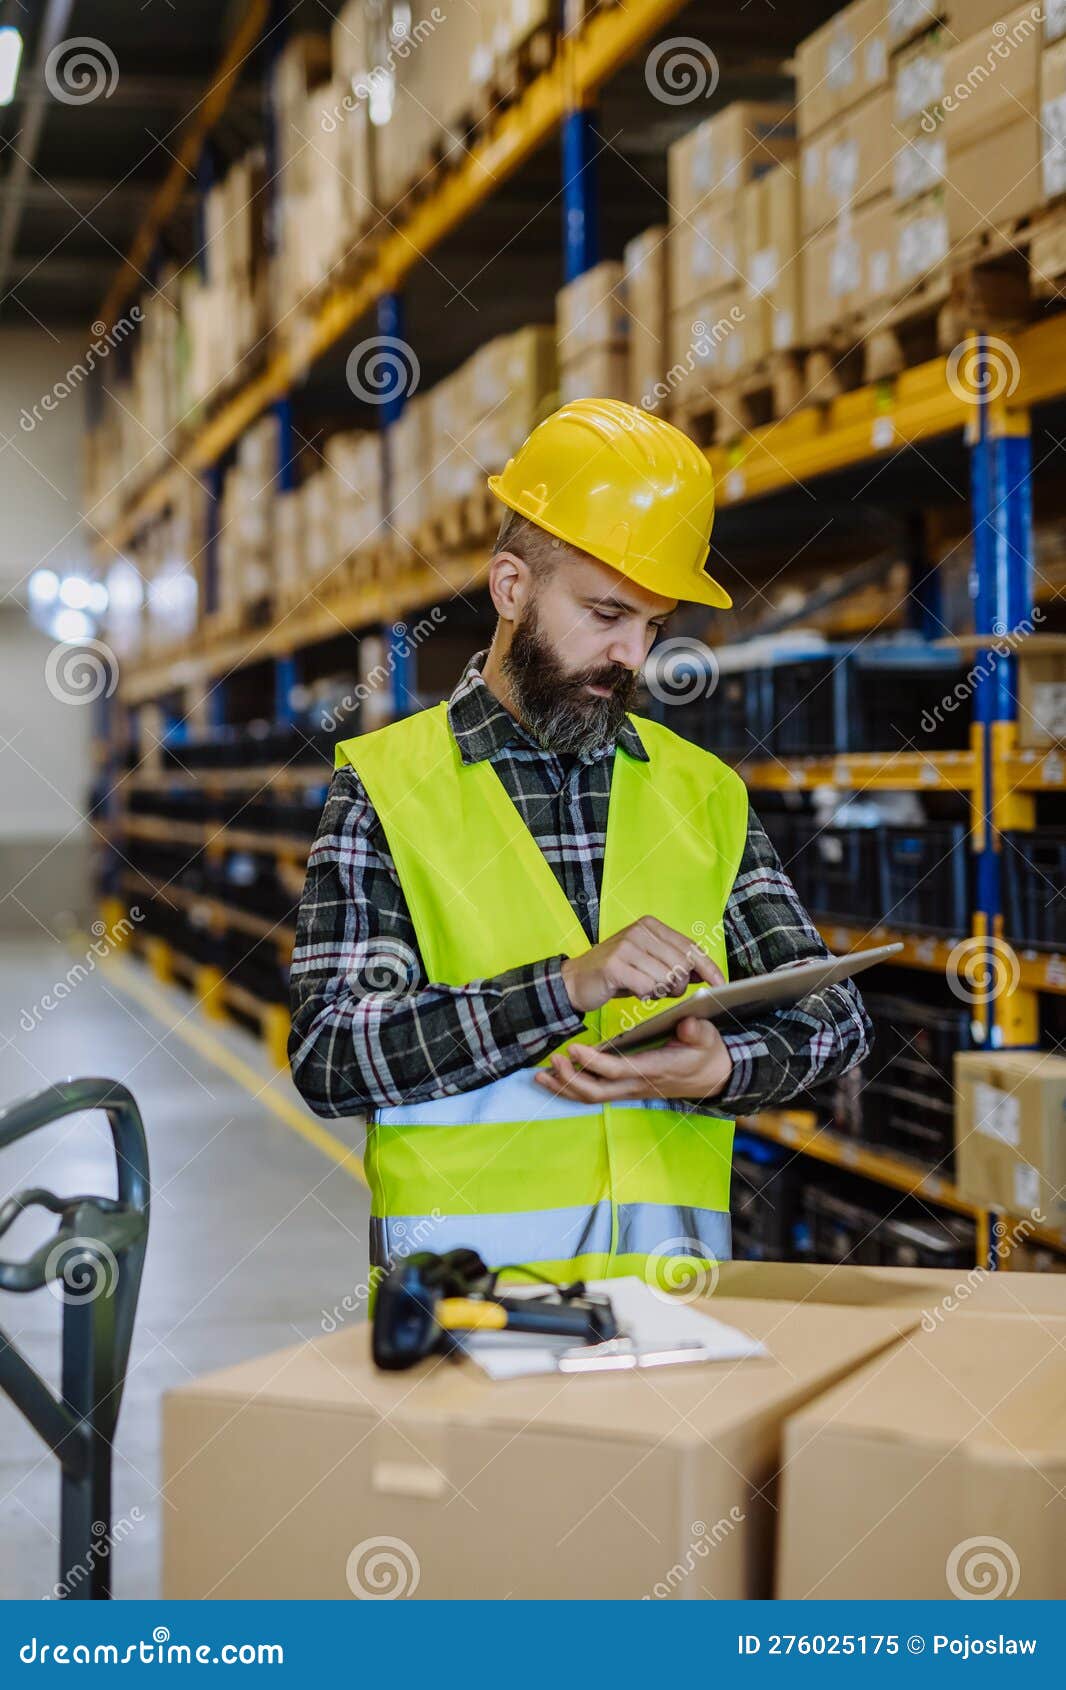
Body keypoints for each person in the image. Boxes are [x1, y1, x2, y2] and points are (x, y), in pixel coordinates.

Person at [289, 398, 871, 1286]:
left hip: (674, 1315)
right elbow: (333, 1057)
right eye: (605, 614)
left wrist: (722, 1067)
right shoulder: (385, 788)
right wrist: (565, 988)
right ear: (511, 587)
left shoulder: (701, 792)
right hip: (470, 1312)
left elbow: (836, 1023)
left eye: (652, 627)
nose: (631, 656)